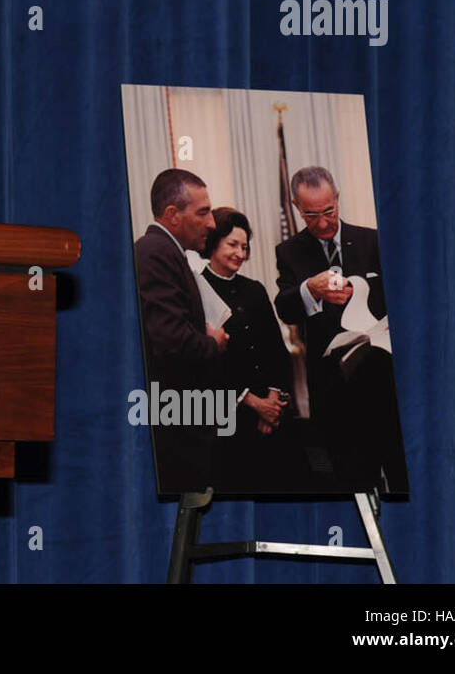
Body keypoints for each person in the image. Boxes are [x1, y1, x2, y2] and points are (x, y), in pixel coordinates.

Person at [273, 166, 408, 493]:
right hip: (334, 392)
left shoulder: (372, 240)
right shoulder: (289, 252)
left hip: (384, 385)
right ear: (295, 206)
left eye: (328, 211)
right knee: (353, 482)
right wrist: (310, 289)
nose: (321, 223)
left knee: (402, 475)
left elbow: (403, 296)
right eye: (310, 214)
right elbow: (285, 307)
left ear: (337, 198)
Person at [199, 207, 308, 492]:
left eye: (245, 247)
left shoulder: (255, 289)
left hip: (273, 414)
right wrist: (254, 404)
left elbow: (276, 349)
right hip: (229, 419)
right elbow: (205, 363)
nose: (240, 253)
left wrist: (272, 402)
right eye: (232, 244)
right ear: (213, 243)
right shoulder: (197, 290)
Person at [132, 168, 227, 493]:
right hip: (177, 422)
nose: (212, 223)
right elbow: (170, 341)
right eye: (203, 212)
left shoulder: (168, 253)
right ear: (172, 215)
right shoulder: (155, 252)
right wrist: (212, 343)